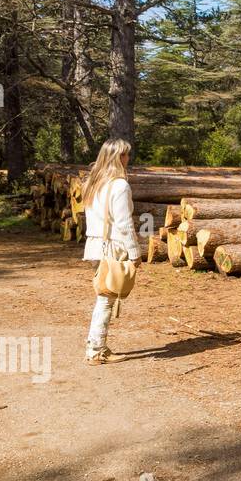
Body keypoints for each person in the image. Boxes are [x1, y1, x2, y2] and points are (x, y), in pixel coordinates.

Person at [81, 139, 140, 365]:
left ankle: (96, 346)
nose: (128, 159)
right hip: (112, 246)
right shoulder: (119, 185)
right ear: (118, 158)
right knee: (106, 300)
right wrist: (135, 252)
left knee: (104, 296)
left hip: (95, 244)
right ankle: (96, 350)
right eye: (125, 155)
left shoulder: (93, 183)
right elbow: (124, 224)